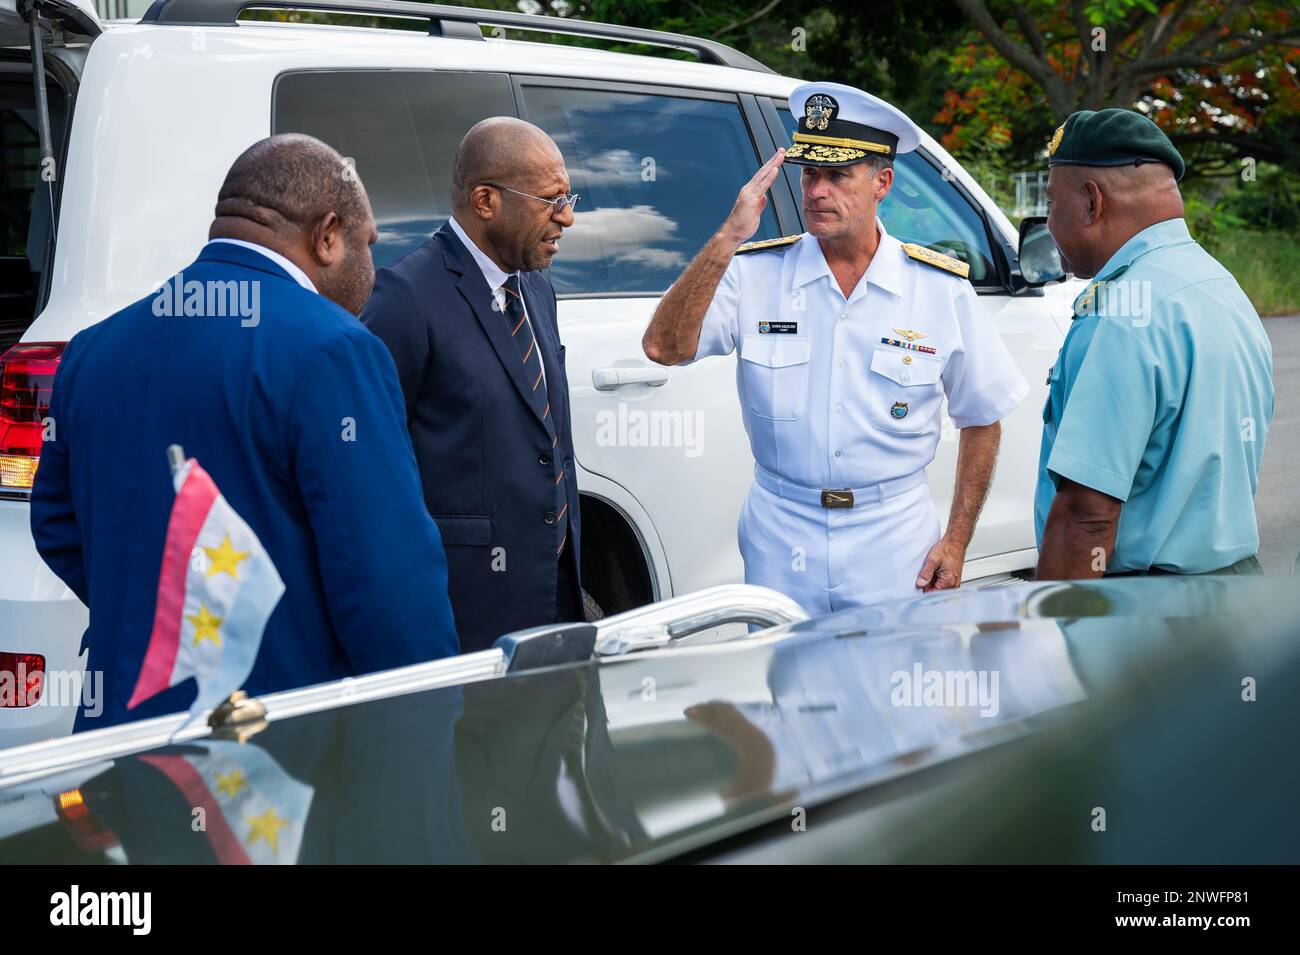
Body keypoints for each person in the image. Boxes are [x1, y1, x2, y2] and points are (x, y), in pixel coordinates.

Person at [31, 134, 458, 730]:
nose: (375, 267)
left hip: (118, 739)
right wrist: (432, 738)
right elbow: (389, 588)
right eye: (369, 245)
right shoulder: (335, 351)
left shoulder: (92, 350)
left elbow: (55, 525)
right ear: (328, 236)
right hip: (267, 752)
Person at [642, 82, 1027, 615]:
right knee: (786, 687)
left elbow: (982, 417)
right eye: (810, 174)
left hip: (894, 537)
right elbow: (664, 347)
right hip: (781, 530)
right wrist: (728, 236)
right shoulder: (756, 274)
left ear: (882, 183)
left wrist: (957, 540)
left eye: (837, 176)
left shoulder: (938, 288)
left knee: (891, 688)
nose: (817, 191)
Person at [361, 117, 582, 652]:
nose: (568, 217)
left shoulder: (536, 288)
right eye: (551, 200)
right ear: (486, 200)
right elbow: (371, 469)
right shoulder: (405, 297)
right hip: (464, 613)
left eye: (570, 197)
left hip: (554, 595)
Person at [1034, 108, 1274, 578]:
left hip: (1148, 616)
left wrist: (1058, 630)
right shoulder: (1220, 286)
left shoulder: (1123, 312)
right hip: (1234, 597)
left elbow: (1088, 515)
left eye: (1050, 202)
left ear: (1090, 202)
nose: (1047, 221)